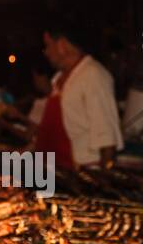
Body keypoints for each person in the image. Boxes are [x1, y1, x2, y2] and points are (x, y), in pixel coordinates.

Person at [36, 20, 123, 168]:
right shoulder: (58, 81)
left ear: (62, 45)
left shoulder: (93, 75)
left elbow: (107, 140)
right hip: (55, 173)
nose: (47, 52)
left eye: (48, 45)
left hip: (83, 174)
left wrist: (101, 183)